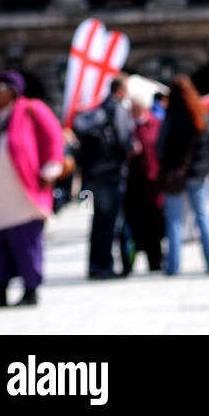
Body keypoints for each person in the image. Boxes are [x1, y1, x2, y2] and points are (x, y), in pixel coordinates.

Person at [0, 71, 64, 307]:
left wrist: (51, 166)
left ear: (11, 91)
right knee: (3, 246)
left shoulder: (31, 109)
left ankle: (31, 288)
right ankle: (0, 289)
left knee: (27, 242)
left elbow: (53, 136)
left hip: (24, 193)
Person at [72, 75, 134, 280]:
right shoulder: (117, 109)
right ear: (121, 90)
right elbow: (124, 139)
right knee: (109, 223)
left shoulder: (97, 110)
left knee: (97, 221)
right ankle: (105, 266)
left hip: (91, 175)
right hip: (111, 175)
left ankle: (94, 266)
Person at [158, 75, 209, 275]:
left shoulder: (171, 116)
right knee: (202, 217)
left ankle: (172, 267)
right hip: (199, 172)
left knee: (174, 220)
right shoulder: (202, 114)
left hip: (175, 173)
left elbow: (160, 145)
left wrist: (166, 164)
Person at [122, 96, 164, 272]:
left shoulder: (156, 124)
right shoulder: (127, 126)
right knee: (135, 224)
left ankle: (155, 260)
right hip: (133, 184)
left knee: (155, 223)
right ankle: (130, 261)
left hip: (154, 184)